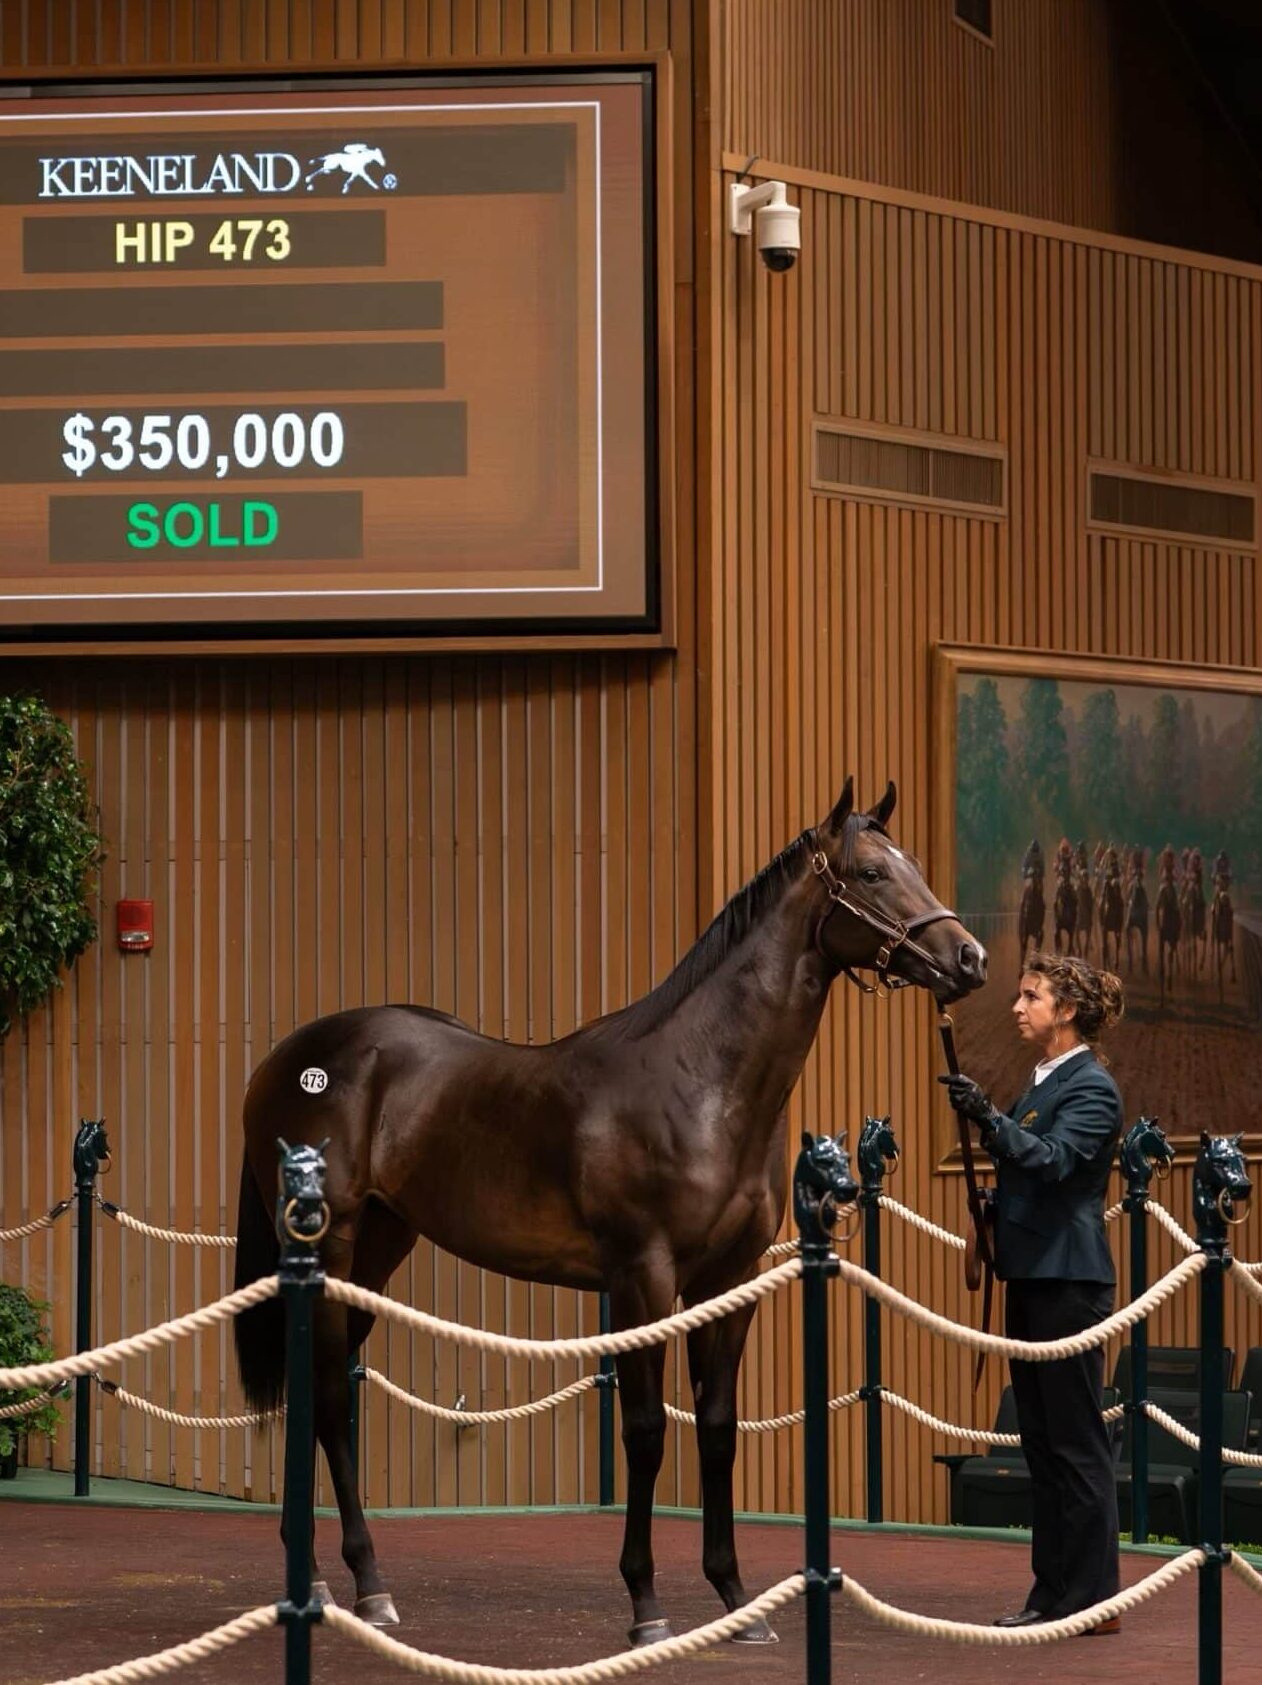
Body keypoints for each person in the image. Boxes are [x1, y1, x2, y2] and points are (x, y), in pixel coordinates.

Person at [939, 952, 1125, 1635]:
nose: (1017, 1007)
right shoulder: (1045, 1079)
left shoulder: (1092, 1086)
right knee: (1043, 1444)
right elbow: (1029, 1169)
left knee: (1075, 1444)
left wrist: (989, 1119)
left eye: (1031, 996)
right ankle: (1052, 1593)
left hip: (1068, 1281)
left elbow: (1053, 1162)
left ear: (1066, 1010)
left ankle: (1094, 1598)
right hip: (1033, 1274)